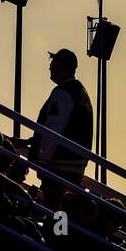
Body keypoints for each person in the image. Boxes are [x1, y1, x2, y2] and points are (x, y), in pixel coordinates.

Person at [22, 49, 92, 211]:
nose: (50, 68)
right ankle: (59, 233)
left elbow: (53, 129)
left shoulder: (63, 93)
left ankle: (55, 235)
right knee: (63, 212)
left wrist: (41, 162)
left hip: (60, 166)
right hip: (74, 166)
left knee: (54, 209)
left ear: (63, 67)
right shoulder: (80, 92)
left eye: (54, 64)